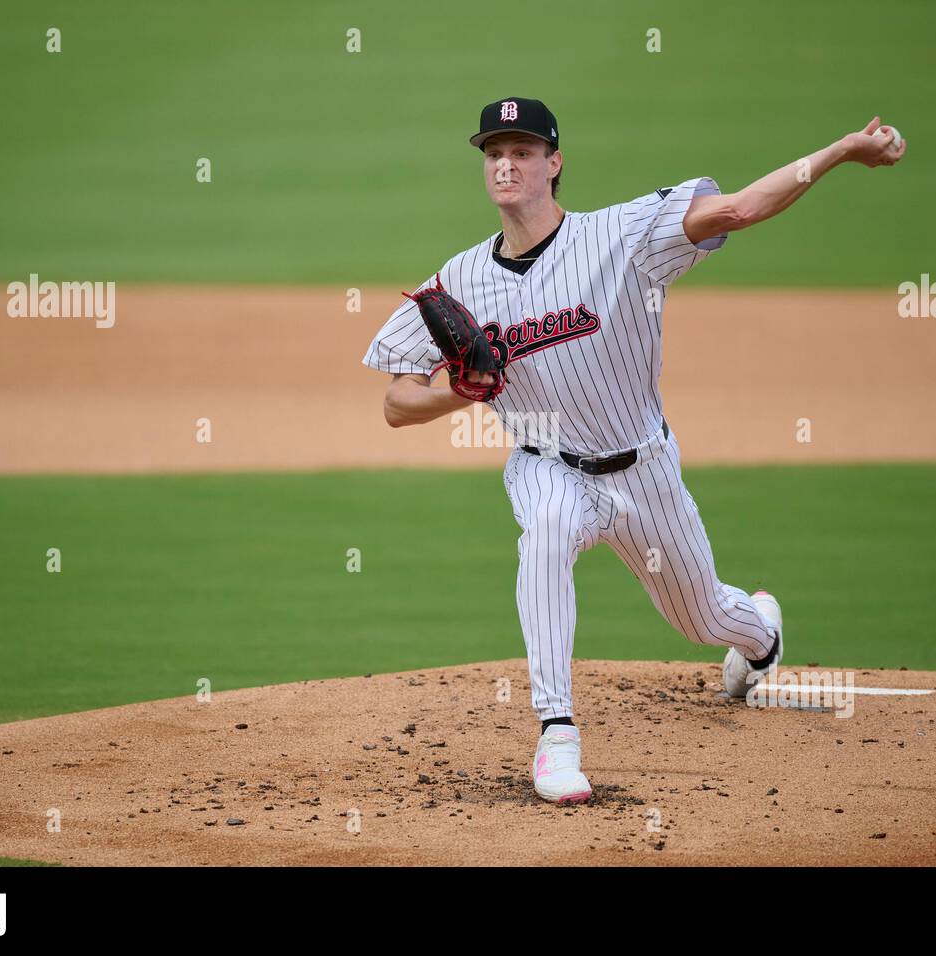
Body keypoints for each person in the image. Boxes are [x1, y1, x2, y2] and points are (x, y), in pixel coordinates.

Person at [362, 96, 906, 804]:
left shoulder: (623, 236)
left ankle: (760, 636)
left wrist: (837, 153)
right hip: (546, 465)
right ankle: (556, 735)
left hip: (643, 470)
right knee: (546, 535)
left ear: (554, 165)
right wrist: (459, 394)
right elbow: (396, 404)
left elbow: (738, 209)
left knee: (703, 617)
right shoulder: (460, 280)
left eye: (522, 151)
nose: (506, 163)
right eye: (494, 153)